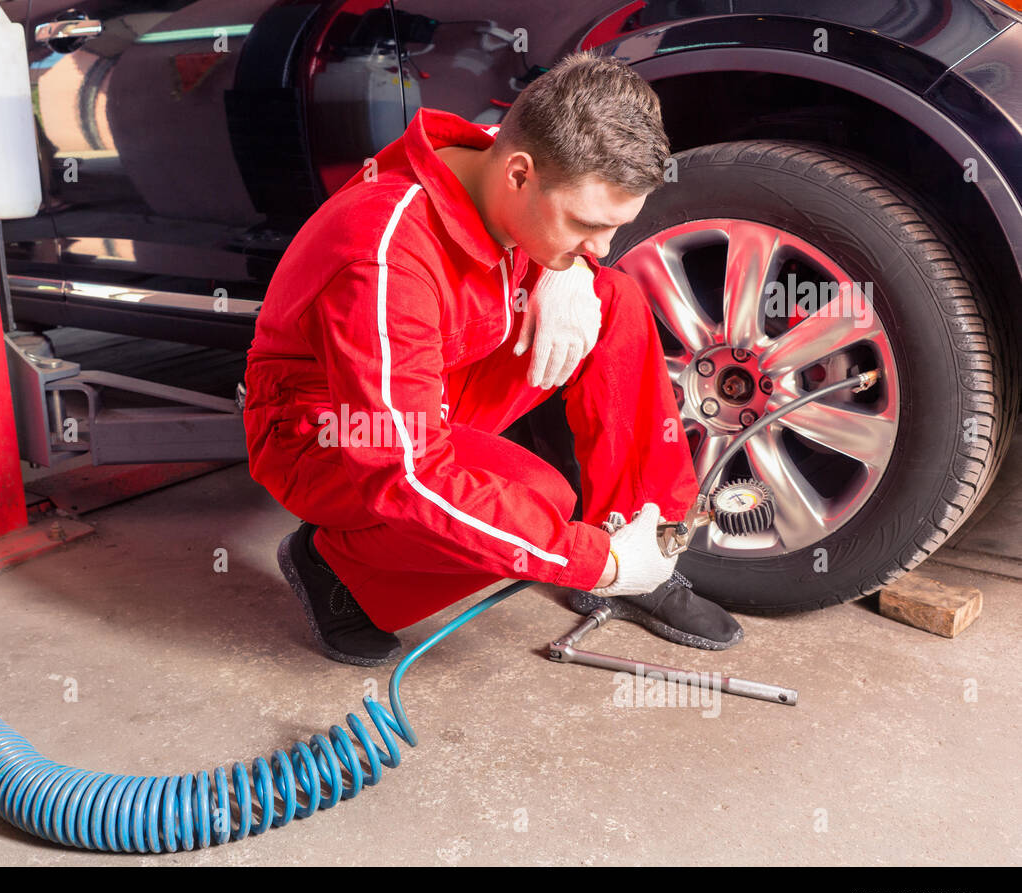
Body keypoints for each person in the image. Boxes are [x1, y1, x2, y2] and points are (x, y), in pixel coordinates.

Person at [243, 51, 742, 666]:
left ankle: (646, 548)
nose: (604, 246)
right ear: (519, 176)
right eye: (586, 225)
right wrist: (591, 562)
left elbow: (562, 216)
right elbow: (406, 473)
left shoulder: (498, 152)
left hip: (441, 376)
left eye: (613, 228)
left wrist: (572, 270)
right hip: (329, 432)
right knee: (539, 501)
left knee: (614, 299)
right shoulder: (383, 259)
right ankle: (336, 570)